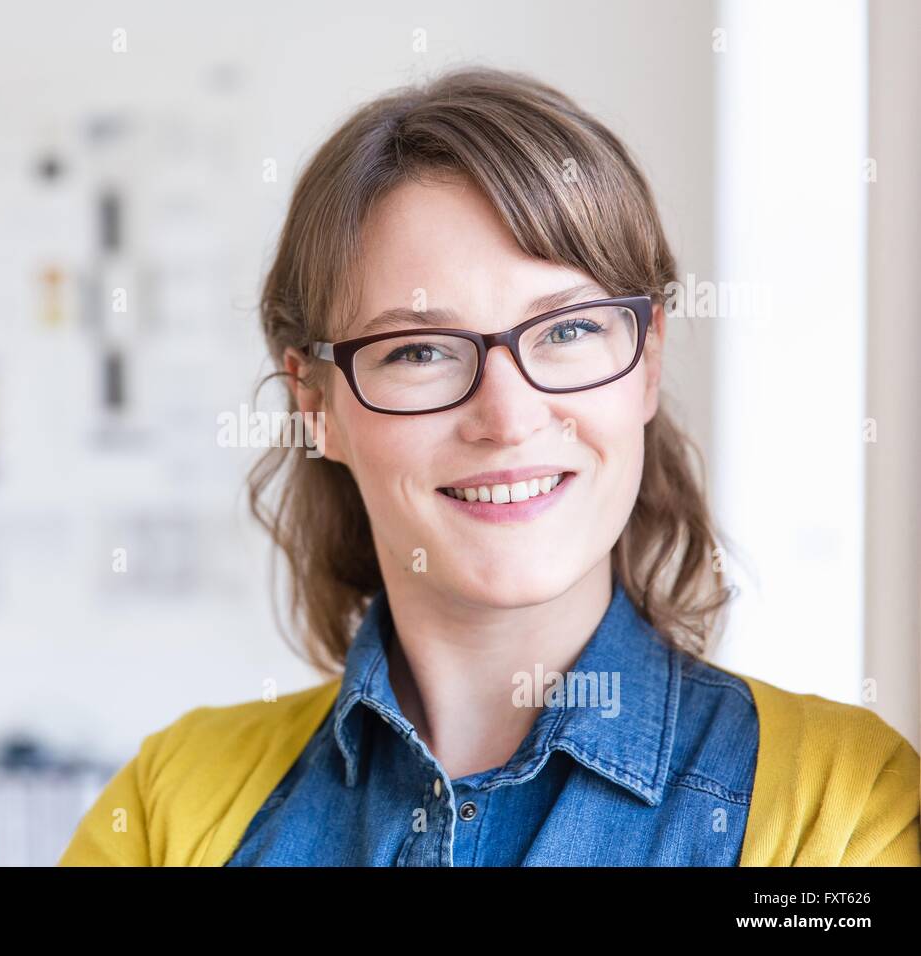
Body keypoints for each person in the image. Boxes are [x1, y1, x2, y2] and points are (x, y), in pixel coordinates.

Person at [58, 65, 920, 866]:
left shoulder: (842, 808)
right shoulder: (172, 802)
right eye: (420, 351)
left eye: (571, 330)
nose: (507, 418)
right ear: (314, 406)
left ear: (648, 359)